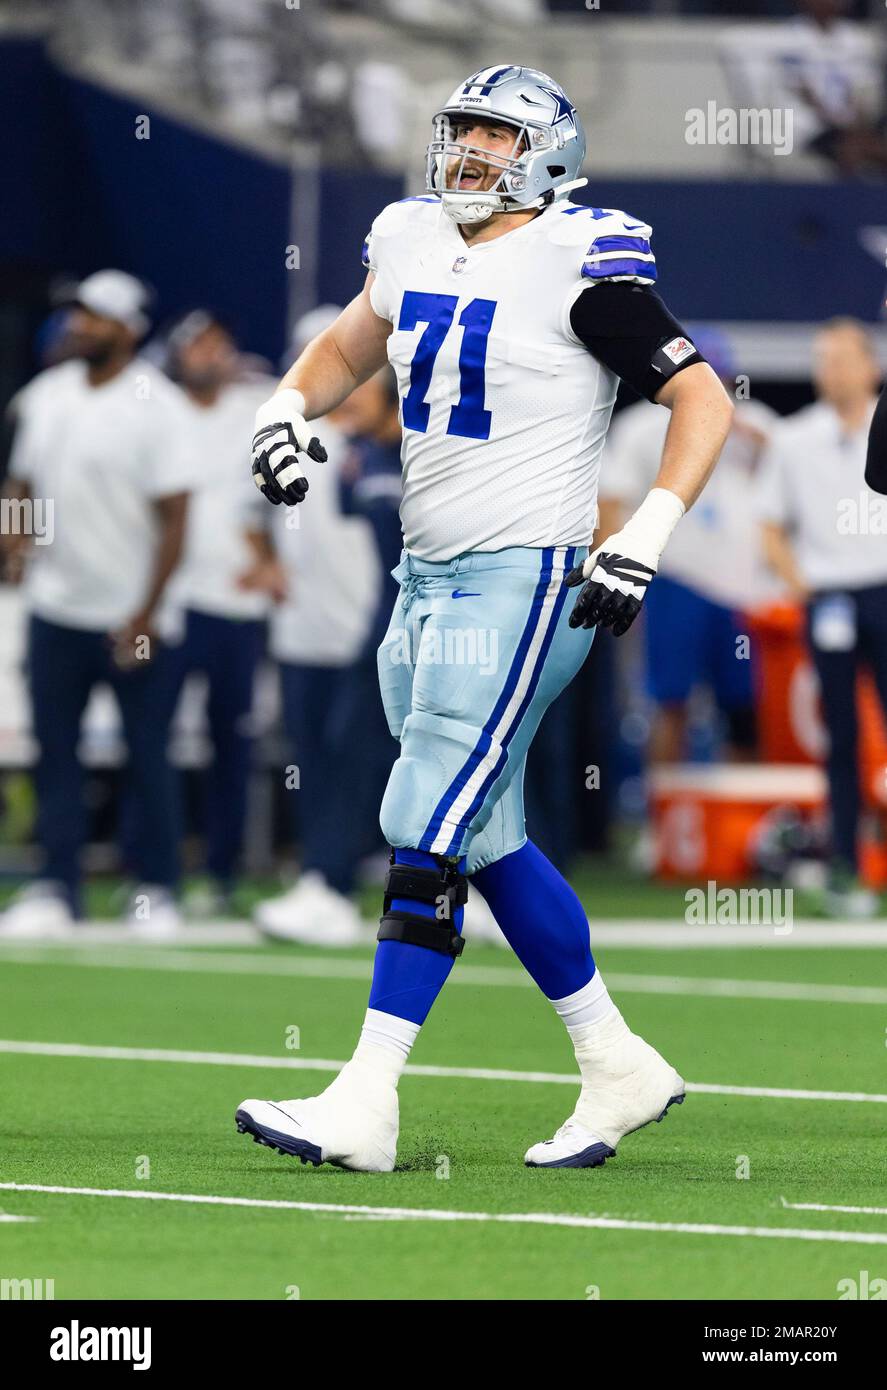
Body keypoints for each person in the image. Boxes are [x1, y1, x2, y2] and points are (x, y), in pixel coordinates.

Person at [237, 66, 733, 1172]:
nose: (465, 151)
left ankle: (366, 1100)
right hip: (426, 574)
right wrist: (283, 406)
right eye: (458, 130)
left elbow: (699, 397)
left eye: (492, 136)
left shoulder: (579, 254)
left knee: (422, 809)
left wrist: (641, 535)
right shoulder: (410, 235)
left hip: (527, 579)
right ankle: (615, 1063)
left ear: (545, 152)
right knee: (485, 832)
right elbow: (351, 342)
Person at [0, 270, 195, 938]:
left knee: (147, 752)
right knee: (55, 753)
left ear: (128, 329)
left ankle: (157, 890)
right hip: (57, 609)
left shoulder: (157, 404)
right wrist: (20, 539)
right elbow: (22, 483)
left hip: (133, 617)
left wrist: (144, 613)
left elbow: (175, 518)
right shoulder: (48, 394)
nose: (79, 325)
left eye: (95, 316)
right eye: (77, 314)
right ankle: (58, 889)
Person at [253, 309, 381, 946]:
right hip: (303, 632)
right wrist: (264, 560)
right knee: (313, 761)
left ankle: (337, 881)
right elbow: (247, 512)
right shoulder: (277, 432)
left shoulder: (388, 436)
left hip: (371, 630)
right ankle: (321, 879)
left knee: (364, 761)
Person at [598, 328, 777, 764]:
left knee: (744, 708)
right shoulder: (641, 427)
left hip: (743, 590)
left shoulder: (758, 424)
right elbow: (611, 504)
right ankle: (663, 820)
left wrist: (768, 447)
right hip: (675, 581)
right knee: (669, 700)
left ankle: (742, 826)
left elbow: (800, 485)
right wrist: (616, 578)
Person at [757, 318, 886, 918]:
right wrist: (800, 583)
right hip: (831, 595)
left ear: (869, 365)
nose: (829, 370)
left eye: (840, 359)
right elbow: (770, 524)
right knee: (841, 737)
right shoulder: (794, 437)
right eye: (821, 359)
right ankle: (845, 867)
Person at [162, 310, 273, 913]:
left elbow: (288, 486)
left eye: (221, 344)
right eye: (201, 346)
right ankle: (152, 873)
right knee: (152, 741)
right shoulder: (155, 410)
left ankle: (220, 874)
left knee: (231, 744)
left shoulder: (259, 406)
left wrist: (275, 558)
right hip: (170, 606)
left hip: (236, 605)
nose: (214, 355)